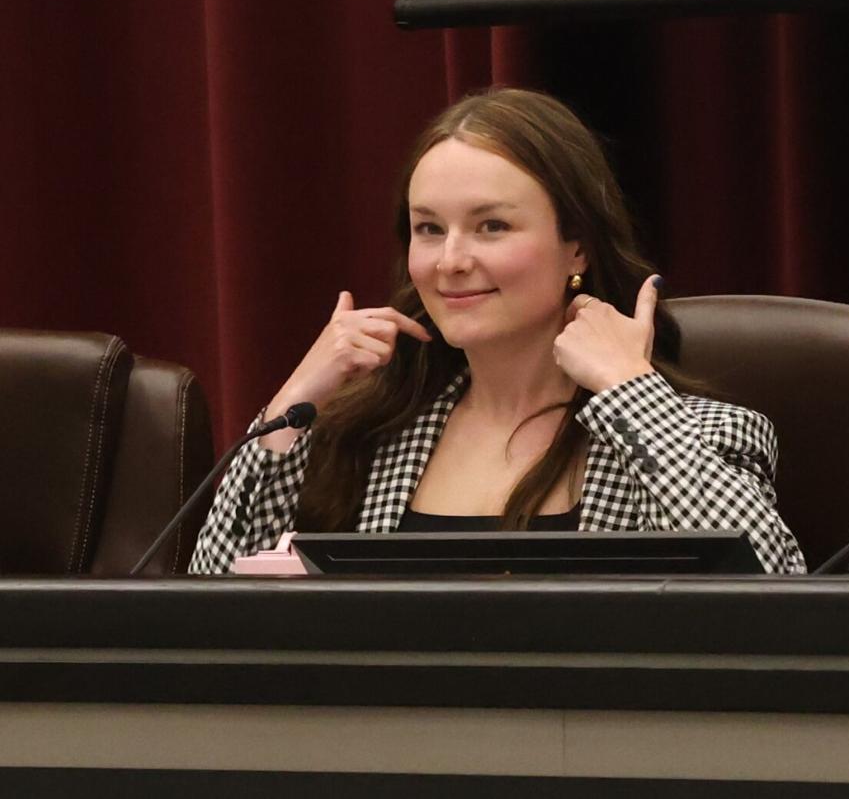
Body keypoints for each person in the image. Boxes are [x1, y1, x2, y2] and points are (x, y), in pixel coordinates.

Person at [190, 88, 806, 575]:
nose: (450, 261)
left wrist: (630, 391)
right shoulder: (366, 435)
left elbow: (776, 597)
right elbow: (208, 607)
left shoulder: (701, 433)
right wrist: (293, 405)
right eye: (429, 229)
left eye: (491, 227)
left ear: (577, 247)